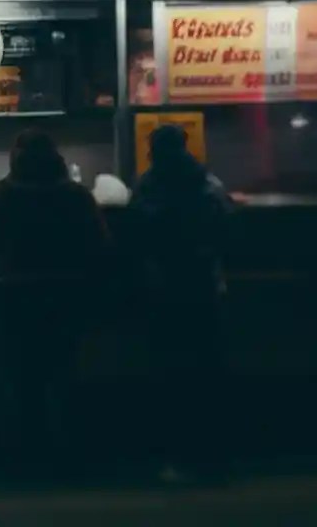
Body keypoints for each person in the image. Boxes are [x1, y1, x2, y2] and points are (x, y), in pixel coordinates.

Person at [0, 130, 109, 478]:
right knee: (61, 376)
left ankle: (19, 460)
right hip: (64, 294)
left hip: (11, 296)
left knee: (16, 379)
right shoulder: (76, 197)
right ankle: (65, 456)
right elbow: (100, 245)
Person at [130, 124, 232, 485]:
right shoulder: (207, 182)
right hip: (203, 285)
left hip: (164, 290)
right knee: (207, 372)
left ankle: (176, 456)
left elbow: (134, 233)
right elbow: (227, 224)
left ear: (153, 150)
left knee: (170, 376)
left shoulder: (146, 187)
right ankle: (213, 455)